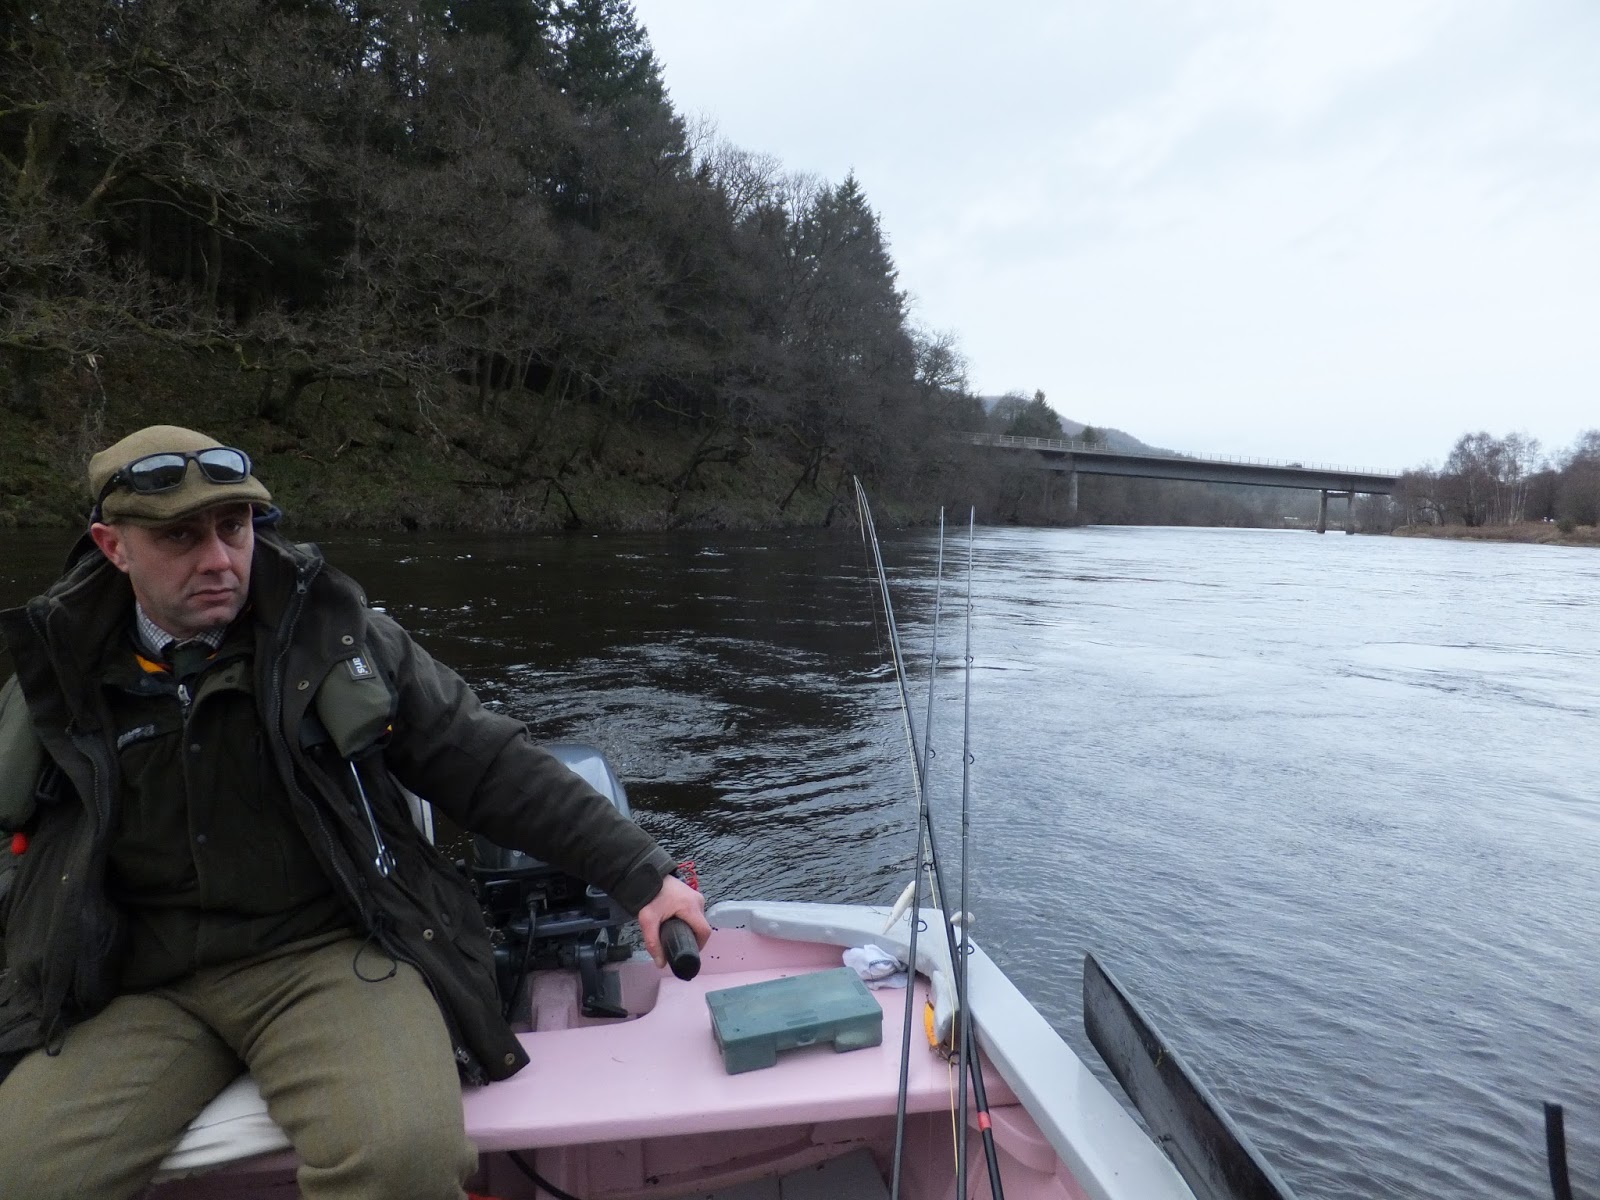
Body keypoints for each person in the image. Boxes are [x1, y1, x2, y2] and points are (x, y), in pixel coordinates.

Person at [0, 424, 711, 1200]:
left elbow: (487, 764)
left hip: (331, 951)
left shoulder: (340, 641)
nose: (218, 559)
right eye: (180, 536)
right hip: (138, 982)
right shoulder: (56, 675)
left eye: (233, 528)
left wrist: (642, 875)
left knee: (403, 1157)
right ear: (114, 546)